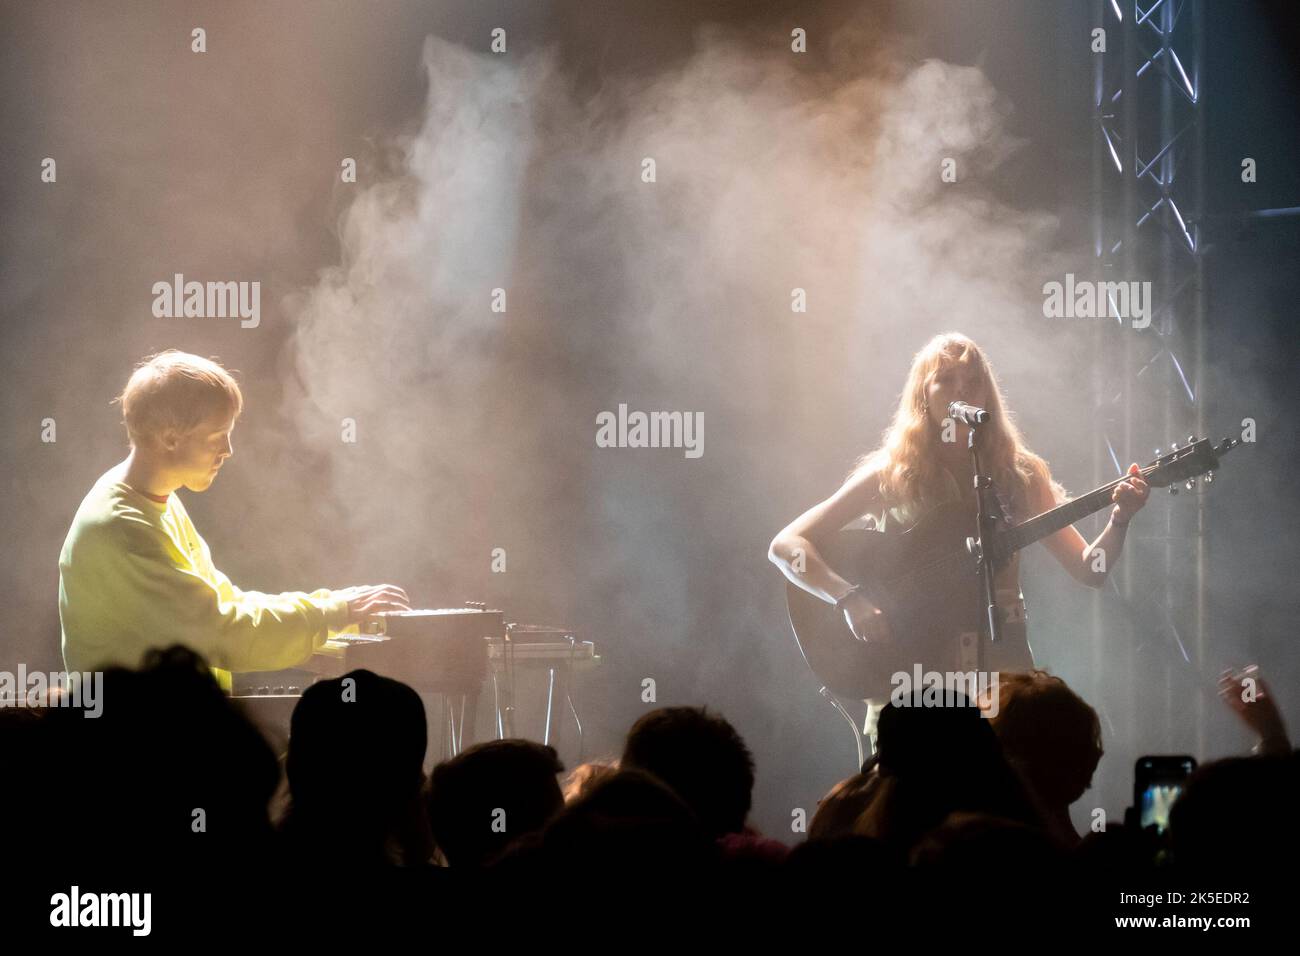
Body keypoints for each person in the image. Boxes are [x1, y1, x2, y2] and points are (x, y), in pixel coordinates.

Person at [768, 332, 1149, 736]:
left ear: (987, 396)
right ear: (923, 395)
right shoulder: (891, 474)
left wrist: (1120, 517)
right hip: (911, 671)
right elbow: (787, 544)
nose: (961, 390)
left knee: (1005, 790)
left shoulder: (1019, 475)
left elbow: (1090, 569)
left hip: (1001, 671)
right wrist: (847, 597)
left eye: (972, 381)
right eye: (946, 380)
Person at [58, 350, 410, 690]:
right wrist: (333, 612)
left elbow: (227, 603)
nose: (228, 449)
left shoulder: (158, 502)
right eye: (216, 436)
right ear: (169, 438)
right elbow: (223, 632)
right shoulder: (122, 526)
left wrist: (332, 609)